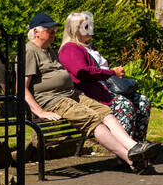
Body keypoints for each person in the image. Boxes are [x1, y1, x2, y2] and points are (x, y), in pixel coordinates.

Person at [22, 12, 160, 173]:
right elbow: (21, 87)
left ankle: (135, 147)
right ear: (36, 32)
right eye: (49, 30)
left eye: (54, 30)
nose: (53, 33)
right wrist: (40, 112)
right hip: (54, 100)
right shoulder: (30, 51)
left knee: (105, 112)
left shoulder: (49, 51)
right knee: (92, 119)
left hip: (72, 94)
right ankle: (130, 158)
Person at [58, 12, 151, 143]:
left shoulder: (89, 47)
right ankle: (127, 150)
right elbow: (82, 72)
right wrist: (112, 73)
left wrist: (113, 72)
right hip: (90, 94)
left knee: (142, 102)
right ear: (74, 29)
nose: (90, 28)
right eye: (86, 26)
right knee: (124, 106)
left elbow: (98, 69)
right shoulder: (70, 49)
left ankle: (140, 144)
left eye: (90, 25)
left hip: (106, 89)